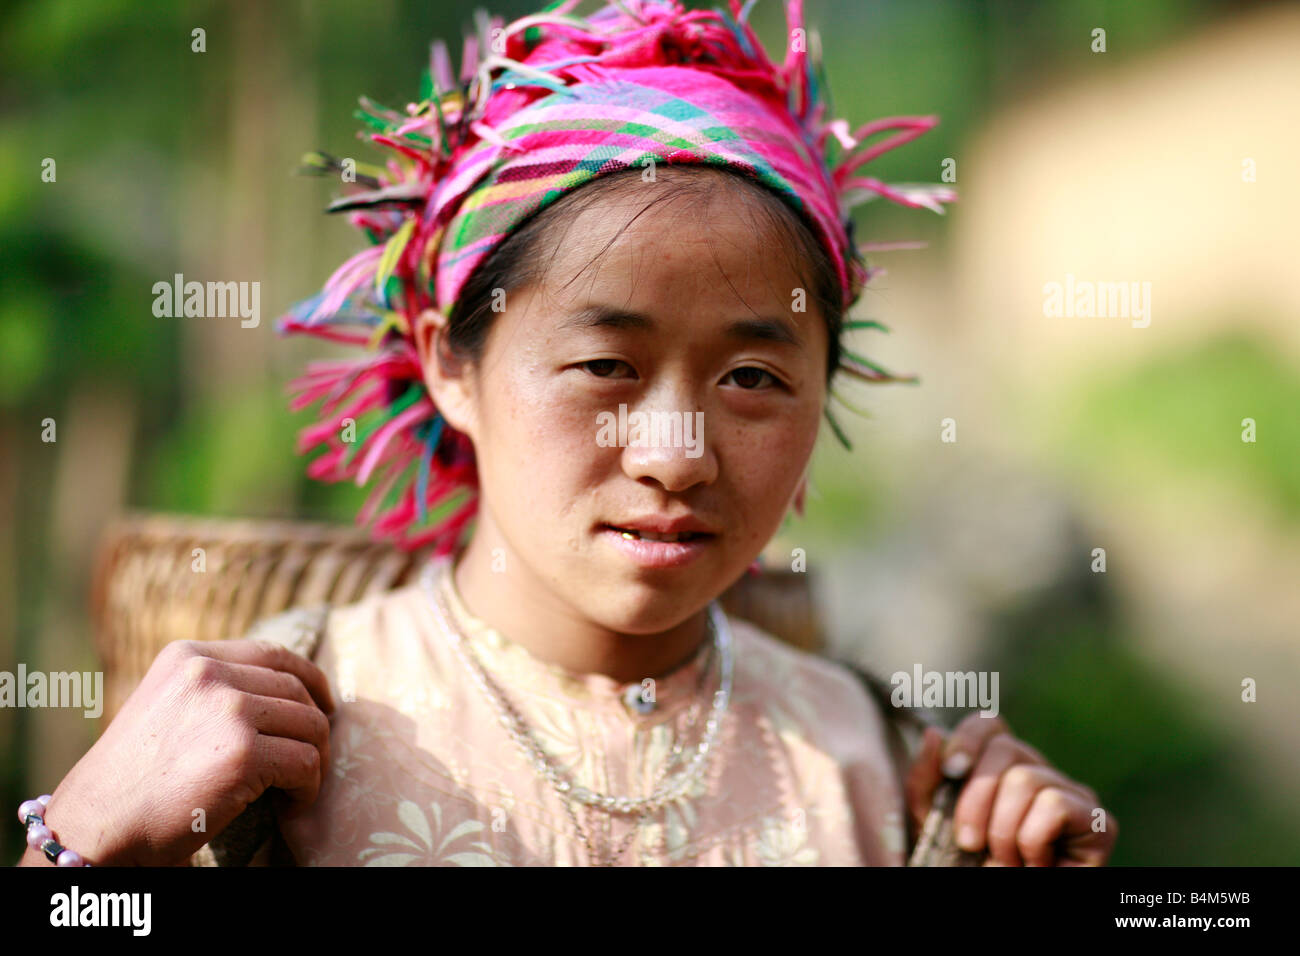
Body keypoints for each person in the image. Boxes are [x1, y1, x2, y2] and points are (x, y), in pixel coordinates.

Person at [17, 0, 1115, 867]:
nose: (676, 452)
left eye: (751, 376)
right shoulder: (283, 731)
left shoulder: (878, 765)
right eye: (604, 366)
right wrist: (83, 853)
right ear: (452, 361)